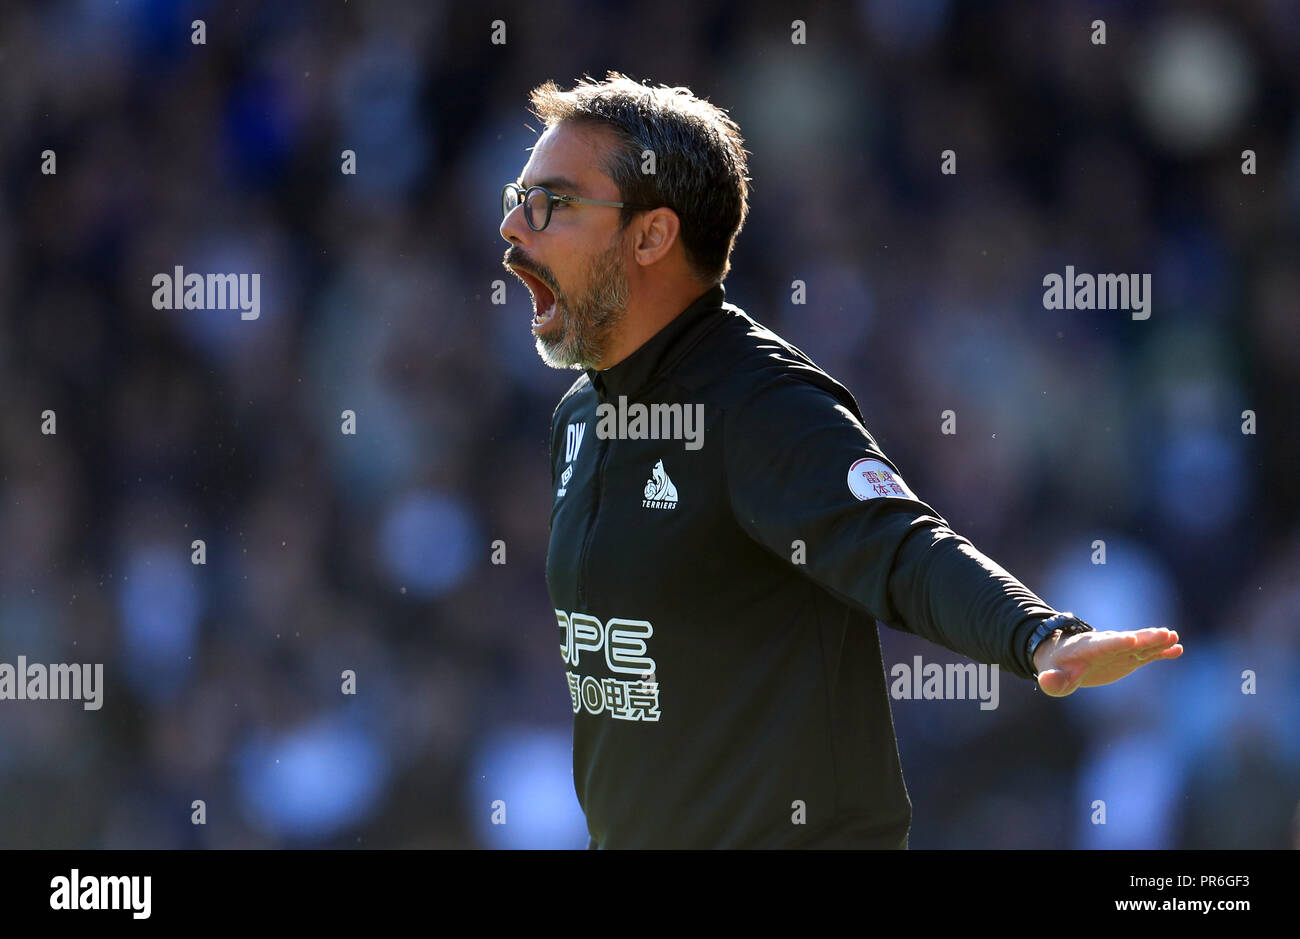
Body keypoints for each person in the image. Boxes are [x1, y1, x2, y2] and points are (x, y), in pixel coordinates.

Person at [498, 71, 1183, 849]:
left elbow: (901, 546)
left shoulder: (761, 405)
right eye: (516, 200)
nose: (516, 227)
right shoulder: (579, 419)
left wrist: (1038, 637)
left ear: (652, 236)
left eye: (550, 201)